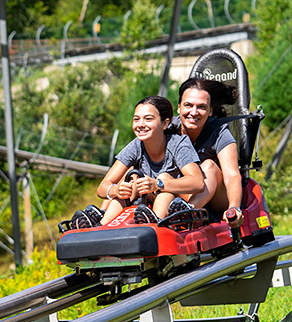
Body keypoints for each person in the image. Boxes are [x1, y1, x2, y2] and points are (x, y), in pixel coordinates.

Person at [71, 95, 204, 229]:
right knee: (128, 184)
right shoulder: (136, 146)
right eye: (136, 119)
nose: (140, 124)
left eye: (148, 119)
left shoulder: (178, 144)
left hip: (178, 200)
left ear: (165, 123)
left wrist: (158, 184)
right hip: (148, 200)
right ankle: (101, 226)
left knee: (163, 179)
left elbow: (198, 183)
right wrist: (116, 190)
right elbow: (102, 188)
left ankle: (155, 224)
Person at [170, 77, 244, 228]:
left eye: (201, 107)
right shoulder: (168, 129)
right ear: (178, 108)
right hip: (180, 192)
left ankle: (186, 213)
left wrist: (234, 207)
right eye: (188, 105)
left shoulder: (219, 132)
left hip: (214, 196)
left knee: (209, 166)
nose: (194, 112)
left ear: (210, 111)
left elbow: (232, 175)